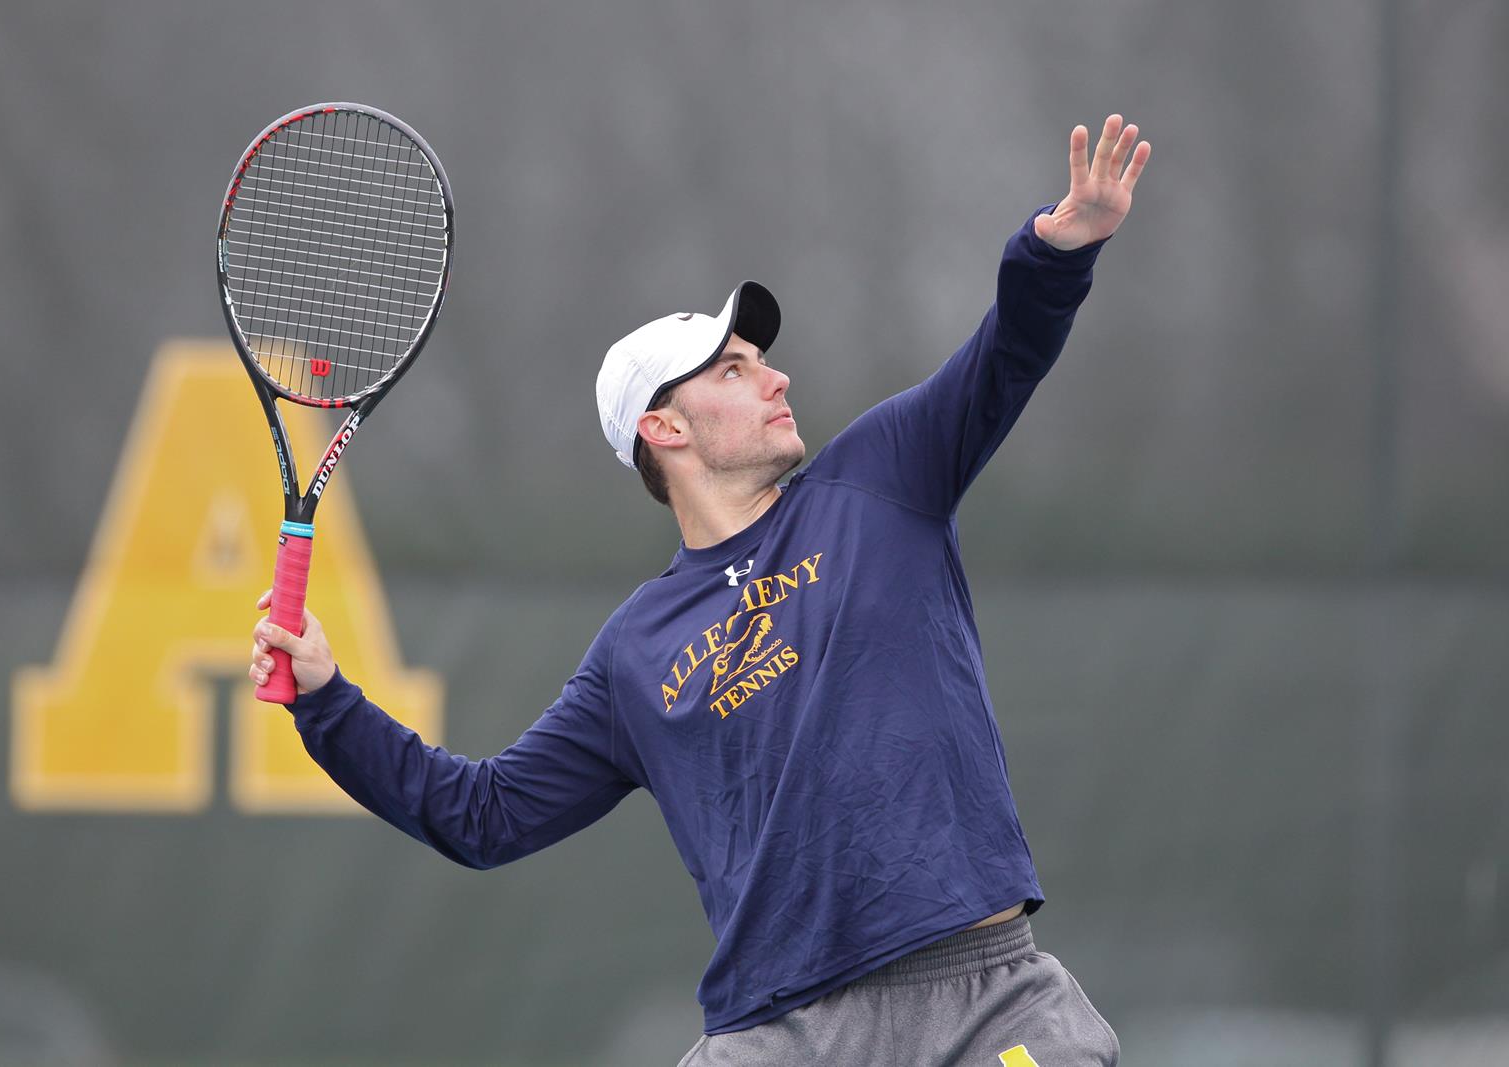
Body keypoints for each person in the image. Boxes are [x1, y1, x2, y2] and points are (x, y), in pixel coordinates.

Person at [250, 114, 1150, 1066]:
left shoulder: (883, 478)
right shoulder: (635, 652)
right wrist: (326, 701)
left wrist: (1058, 250)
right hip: (780, 1036)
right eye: (734, 368)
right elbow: (484, 813)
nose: (775, 378)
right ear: (665, 429)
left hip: (985, 1001)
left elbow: (1004, 357)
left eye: (761, 361)